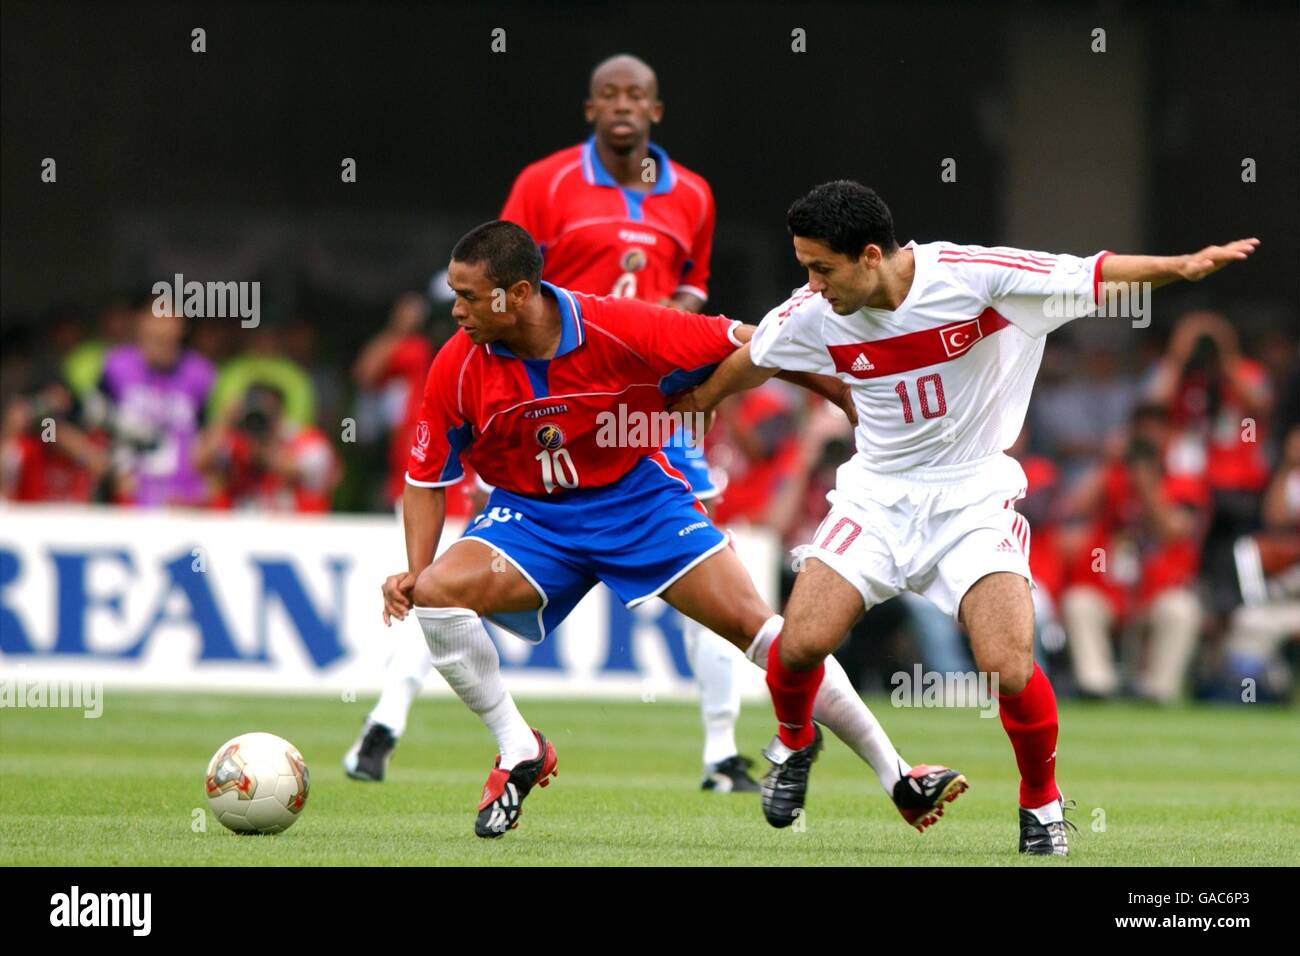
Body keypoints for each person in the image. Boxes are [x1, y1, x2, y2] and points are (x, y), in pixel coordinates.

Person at [671, 180, 1258, 854]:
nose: (812, 283)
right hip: (877, 497)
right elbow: (748, 362)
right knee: (800, 644)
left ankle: (1040, 803)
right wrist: (691, 403)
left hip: (973, 494)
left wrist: (1179, 267)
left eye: (821, 267)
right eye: (805, 266)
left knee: (1007, 664)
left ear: (869, 255)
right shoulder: (811, 314)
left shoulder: (973, 276)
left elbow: (1091, 273)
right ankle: (796, 743)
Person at [379, 220, 966, 838]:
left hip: (639, 503)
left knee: (767, 633)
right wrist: (417, 568)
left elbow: (762, 341)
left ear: (520, 293)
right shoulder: (458, 366)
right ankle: (519, 748)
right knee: (437, 594)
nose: (457, 311)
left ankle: (898, 776)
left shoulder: (622, 326)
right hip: (533, 517)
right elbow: (425, 480)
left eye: (469, 296)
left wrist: (841, 395)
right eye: (455, 294)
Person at [353, 53, 756, 793]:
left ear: (656, 110)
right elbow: (504, 269)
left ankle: (722, 752)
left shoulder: (694, 195)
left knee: (713, 569)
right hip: (530, 405)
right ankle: (386, 719)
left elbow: (692, 293)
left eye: (637, 94)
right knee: (450, 577)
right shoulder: (546, 183)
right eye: (609, 95)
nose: (623, 105)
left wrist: (662, 339)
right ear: (590, 109)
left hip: (636, 404)